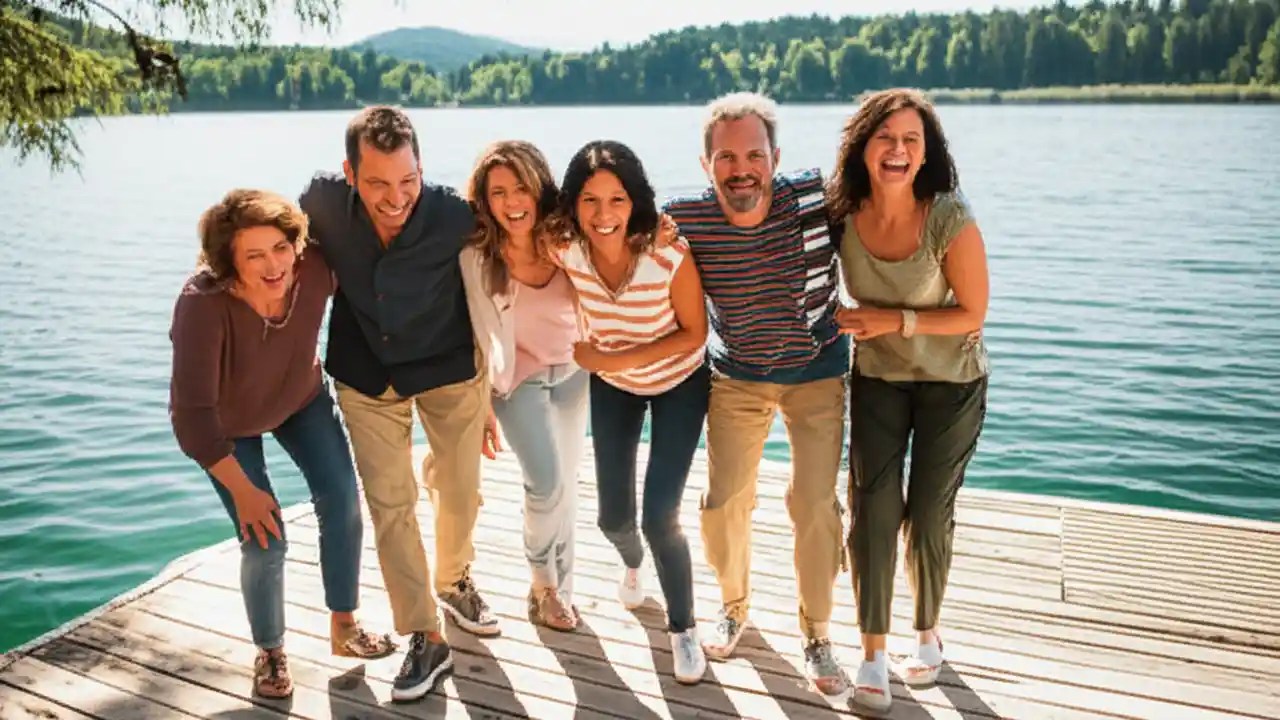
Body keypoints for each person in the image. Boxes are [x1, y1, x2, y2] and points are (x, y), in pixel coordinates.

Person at [297, 106, 498, 703]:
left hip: (447, 367)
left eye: (407, 181)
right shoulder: (322, 202)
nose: (395, 197)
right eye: (379, 183)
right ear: (350, 173)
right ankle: (425, 636)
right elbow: (266, 238)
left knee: (460, 488)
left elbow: (526, 240)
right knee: (392, 505)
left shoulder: (454, 215)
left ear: (422, 169)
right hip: (366, 375)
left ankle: (454, 579)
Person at [168, 189, 396, 700]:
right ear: (229, 261)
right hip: (228, 427)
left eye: (280, 248)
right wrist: (244, 491)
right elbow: (192, 419)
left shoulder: (313, 266)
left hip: (300, 400)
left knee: (343, 502)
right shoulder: (202, 305)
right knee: (265, 538)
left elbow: (367, 248)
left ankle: (344, 625)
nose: (274, 265)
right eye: (254, 255)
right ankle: (270, 651)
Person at [662, 92, 851, 696]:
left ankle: (817, 632)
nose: (740, 169)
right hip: (737, 375)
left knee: (816, 506)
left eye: (753, 155)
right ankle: (734, 604)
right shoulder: (684, 219)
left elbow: (889, 209)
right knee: (722, 503)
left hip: (816, 372)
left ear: (775, 157)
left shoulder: (816, 201)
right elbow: (607, 230)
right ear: (705, 163)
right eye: (725, 157)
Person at [828, 88, 991, 713]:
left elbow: (973, 314)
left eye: (911, 140)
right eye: (885, 137)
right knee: (871, 509)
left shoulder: (949, 216)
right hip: (878, 379)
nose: (897, 150)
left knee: (926, 511)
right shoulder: (840, 210)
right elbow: (771, 209)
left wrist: (891, 319)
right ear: (863, 146)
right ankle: (872, 654)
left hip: (953, 383)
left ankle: (928, 635)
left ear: (926, 154)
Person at [550, 140, 711, 685]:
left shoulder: (667, 253)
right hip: (615, 389)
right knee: (613, 518)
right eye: (590, 200)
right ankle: (634, 562)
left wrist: (610, 355)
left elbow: (696, 335)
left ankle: (683, 629)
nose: (603, 215)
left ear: (635, 200)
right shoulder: (565, 250)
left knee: (660, 514)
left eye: (616, 200)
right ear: (573, 204)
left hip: (679, 385)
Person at [459, 140, 588, 632]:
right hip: (517, 381)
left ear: (539, 188)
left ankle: (563, 589)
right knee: (546, 483)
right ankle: (543, 584)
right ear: (485, 200)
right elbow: (472, 331)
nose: (512, 203)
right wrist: (480, 405)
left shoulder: (566, 242)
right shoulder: (477, 257)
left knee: (566, 489)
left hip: (575, 373)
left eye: (520, 189)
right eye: (498, 193)